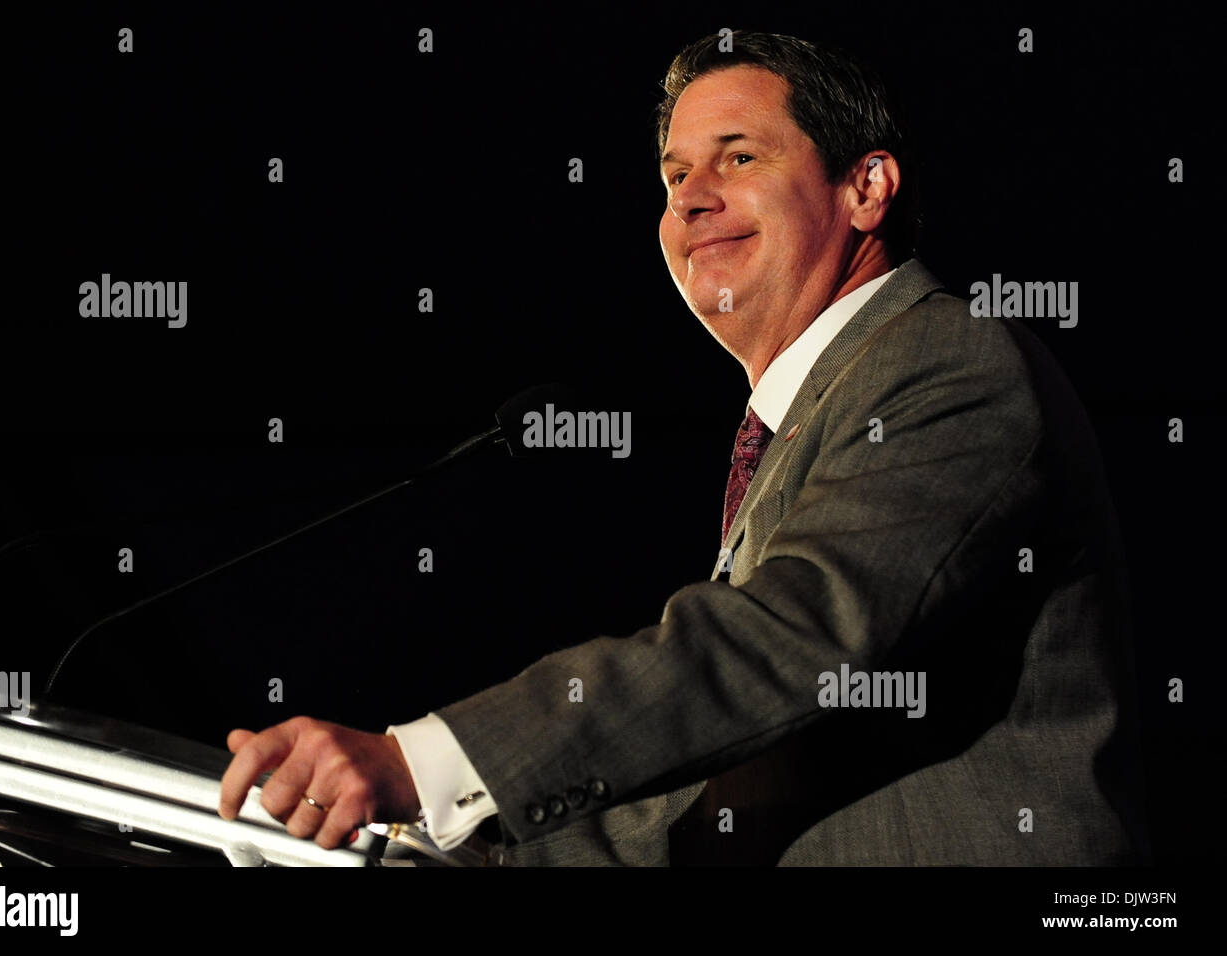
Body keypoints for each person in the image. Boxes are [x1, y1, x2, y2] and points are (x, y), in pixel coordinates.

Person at [219, 31, 1149, 866]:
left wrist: (418, 764)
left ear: (866, 187)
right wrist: (435, 848)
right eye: (672, 177)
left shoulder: (947, 358)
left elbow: (786, 640)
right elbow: (711, 772)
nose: (690, 202)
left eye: (736, 158)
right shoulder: (805, 419)